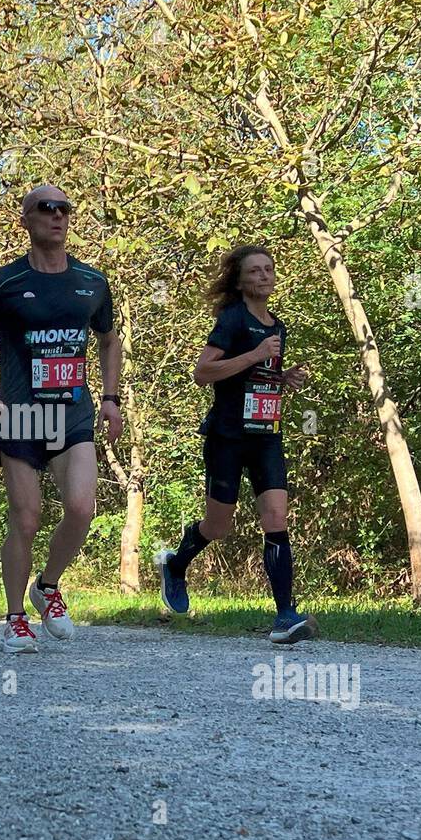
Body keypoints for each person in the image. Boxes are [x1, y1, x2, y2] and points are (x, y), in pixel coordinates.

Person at [0, 185, 122, 653]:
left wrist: (110, 398)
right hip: (21, 416)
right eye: (46, 208)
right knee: (26, 519)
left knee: (81, 509)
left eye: (65, 208)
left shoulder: (92, 282)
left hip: (72, 413)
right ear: (25, 220)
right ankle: (14, 619)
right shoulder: (5, 282)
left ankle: (47, 585)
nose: (58, 215)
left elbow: (109, 341)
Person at [156, 245, 318, 645]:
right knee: (219, 525)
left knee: (276, 518)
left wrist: (285, 378)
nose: (264, 276)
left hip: (266, 434)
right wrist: (255, 354)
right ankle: (176, 566)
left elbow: (259, 376)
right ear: (241, 280)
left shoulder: (276, 325)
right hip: (227, 436)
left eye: (269, 269)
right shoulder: (231, 320)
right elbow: (203, 372)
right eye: (255, 271)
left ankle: (285, 616)